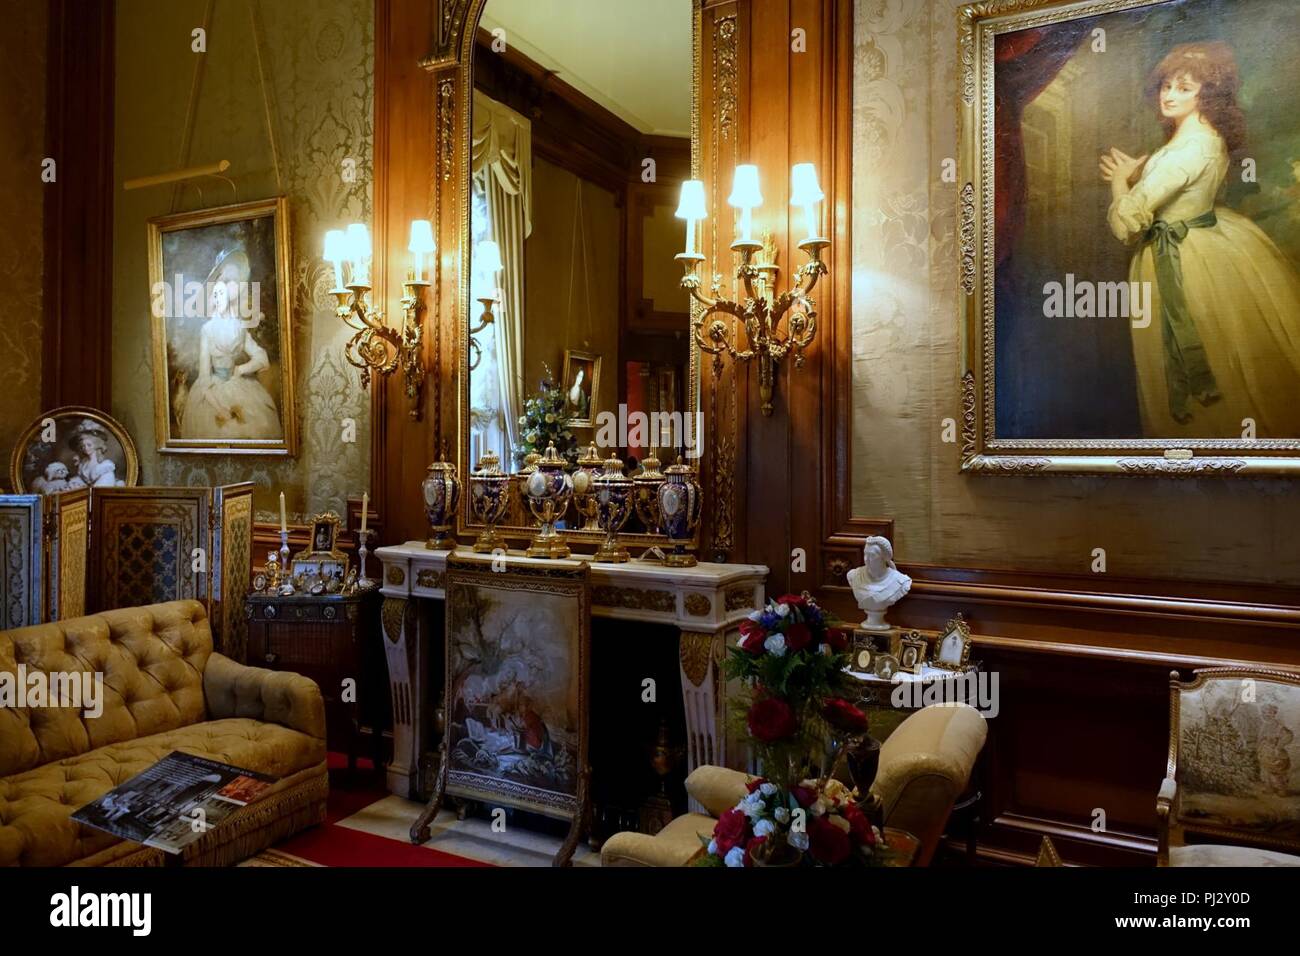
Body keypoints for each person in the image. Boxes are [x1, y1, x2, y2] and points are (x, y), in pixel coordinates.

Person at [1102, 42, 1300, 439]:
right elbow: (1174, 189)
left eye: (1184, 88)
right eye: (1166, 86)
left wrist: (1120, 183)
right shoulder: (1194, 136)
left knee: (1210, 352)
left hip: (1187, 263)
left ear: (1205, 95)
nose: (1170, 95)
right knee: (1214, 351)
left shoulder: (1194, 145)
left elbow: (1128, 224)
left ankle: (1215, 445)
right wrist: (1140, 177)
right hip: (1194, 246)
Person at [181, 248, 283, 441]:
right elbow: (204, 378)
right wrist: (220, 408)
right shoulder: (207, 330)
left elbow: (262, 359)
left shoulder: (239, 327)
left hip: (239, 386)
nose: (222, 294)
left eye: (230, 284)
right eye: (217, 291)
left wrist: (241, 369)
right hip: (211, 392)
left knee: (259, 425)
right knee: (221, 430)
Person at [65, 421, 124, 488]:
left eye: (89, 445)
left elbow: (103, 486)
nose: (86, 448)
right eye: (83, 446)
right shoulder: (84, 462)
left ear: (96, 445)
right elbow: (82, 480)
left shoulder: (105, 466)